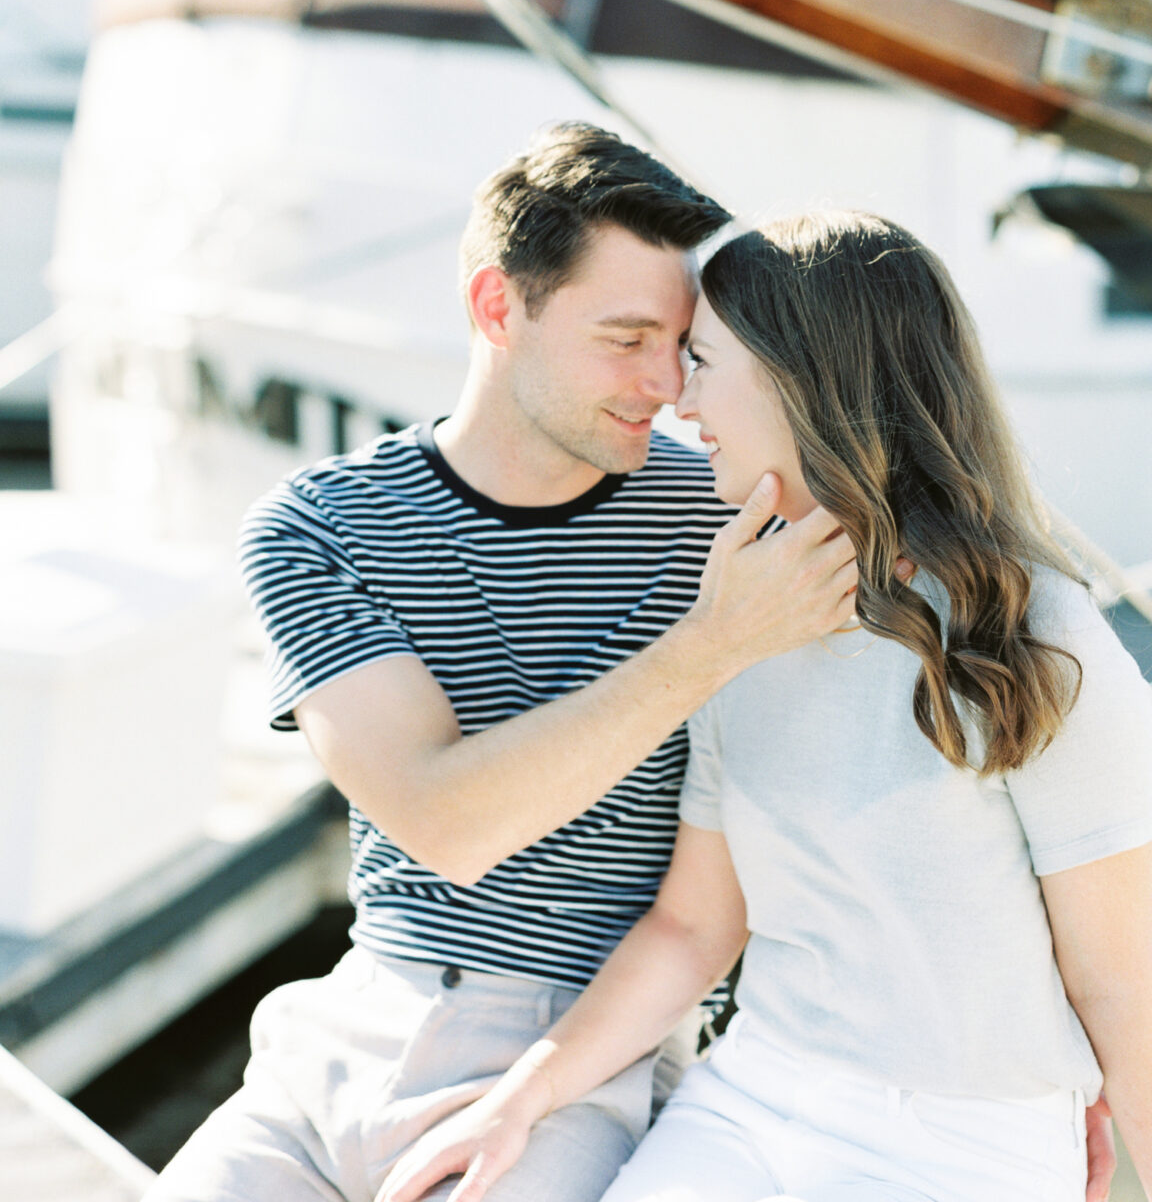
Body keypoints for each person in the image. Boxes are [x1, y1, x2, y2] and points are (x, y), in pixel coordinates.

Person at [141, 124, 863, 1202]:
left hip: (580, 1049)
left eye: (683, 346)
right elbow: (447, 821)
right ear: (496, 308)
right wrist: (712, 644)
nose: (668, 387)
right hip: (346, 1024)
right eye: (626, 339)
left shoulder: (725, 514)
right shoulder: (320, 525)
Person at [378, 210, 1149, 1202]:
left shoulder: (1031, 632)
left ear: (801, 376)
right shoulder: (739, 614)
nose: (678, 398)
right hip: (751, 1096)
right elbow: (693, 930)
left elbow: (1128, 991)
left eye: (701, 361)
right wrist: (515, 1104)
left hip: (965, 1140)